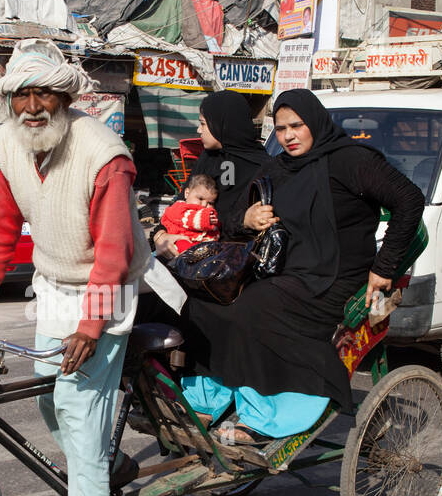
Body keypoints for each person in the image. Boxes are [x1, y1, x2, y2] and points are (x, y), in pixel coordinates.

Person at [0, 38, 170, 496]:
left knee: (77, 402)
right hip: (53, 287)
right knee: (48, 396)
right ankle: (108, 467)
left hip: (106, 289)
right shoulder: (7, 143)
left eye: (43, 94)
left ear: (64, 97)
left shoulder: (103, 154)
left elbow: (113, 253)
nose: (31, 107)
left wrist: (91, 326)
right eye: (21, 97)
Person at [176, 89, 425, 443]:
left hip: (335, 276)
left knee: (252, 308)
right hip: (286, 272)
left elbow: (409, 200)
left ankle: (269, 415)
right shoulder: (278, 167)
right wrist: (247, 217)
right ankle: (209, 399)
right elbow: (231, 219)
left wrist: (384, 267)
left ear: (316, 122)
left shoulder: (350, 160)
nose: (288, 136)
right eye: (280, 129)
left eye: (297, 125)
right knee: (205, 302)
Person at [152, 89, 267, 259]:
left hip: (225, 264)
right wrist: (160, 236)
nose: (199, 130)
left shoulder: (261, 167)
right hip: (183, 253)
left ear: (222, 125)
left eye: (203, 124)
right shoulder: (209, 158)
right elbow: (181, 202)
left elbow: (230, 219)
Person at [158, 174, 219, 255]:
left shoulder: (207, 212)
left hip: (200, 244)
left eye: (210, 203)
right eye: (200, 198)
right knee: (183, 247)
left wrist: (214, 225)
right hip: (179, 240)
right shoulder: (178, 207)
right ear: (187, 193)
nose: (204, 205)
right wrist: (203, 219)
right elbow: (182, 217)